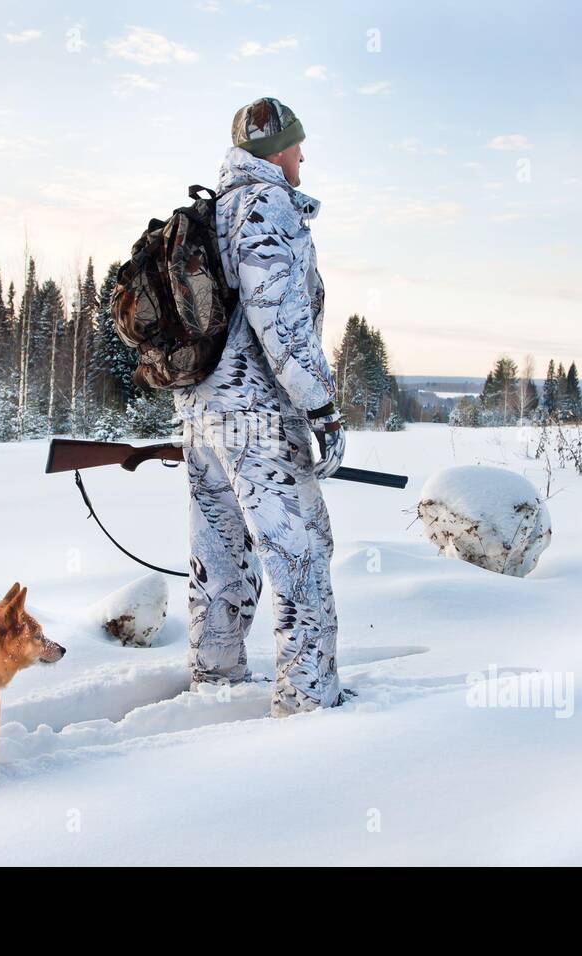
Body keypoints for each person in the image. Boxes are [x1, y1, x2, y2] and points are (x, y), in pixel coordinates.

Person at [174, 96, 350, 717]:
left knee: (219, 549)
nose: (303, 154)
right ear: (276, 150)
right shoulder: (266, 203)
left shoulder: (213, 211)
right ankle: (307, 697)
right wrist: (322, 406)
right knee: (299, 550)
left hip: (202, 413)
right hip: (259, 416)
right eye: (298, 143)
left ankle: (215, 676)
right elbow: (281, 318)